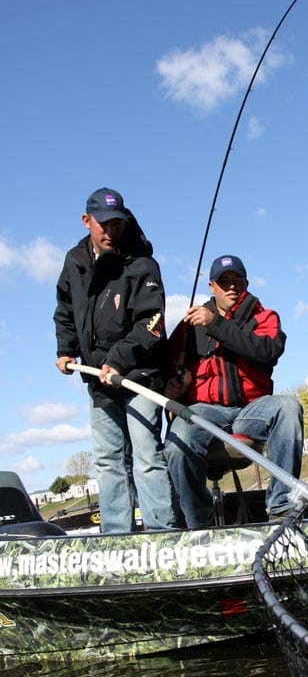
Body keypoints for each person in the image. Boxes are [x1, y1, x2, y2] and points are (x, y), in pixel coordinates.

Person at [54, 187, 177, 533]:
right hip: (98, 380)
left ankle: (162, 535)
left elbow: (152, 324)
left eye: (117, 224)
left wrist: (119, 360)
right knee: (108, 462)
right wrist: (65, 350)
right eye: (103, 224)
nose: (110, 231)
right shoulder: (74, 262)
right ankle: (116, 538)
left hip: (140, 377)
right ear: (86, 221)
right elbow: (64, 311)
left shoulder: (142, 264)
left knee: (146, 457)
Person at [165, 254, 303, 528]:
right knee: (177, 441)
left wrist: (215, 323)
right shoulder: (189, 325)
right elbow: (168, 368)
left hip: (252, 409)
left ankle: (281, 506)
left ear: (246, 283)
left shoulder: (264, 317)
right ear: (211, 286)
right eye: (223, 281)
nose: (231, 287)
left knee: (288, 407)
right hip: (205, 411)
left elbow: (266, 352)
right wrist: (174, 383)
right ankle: (197, 524)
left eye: (237, 281)